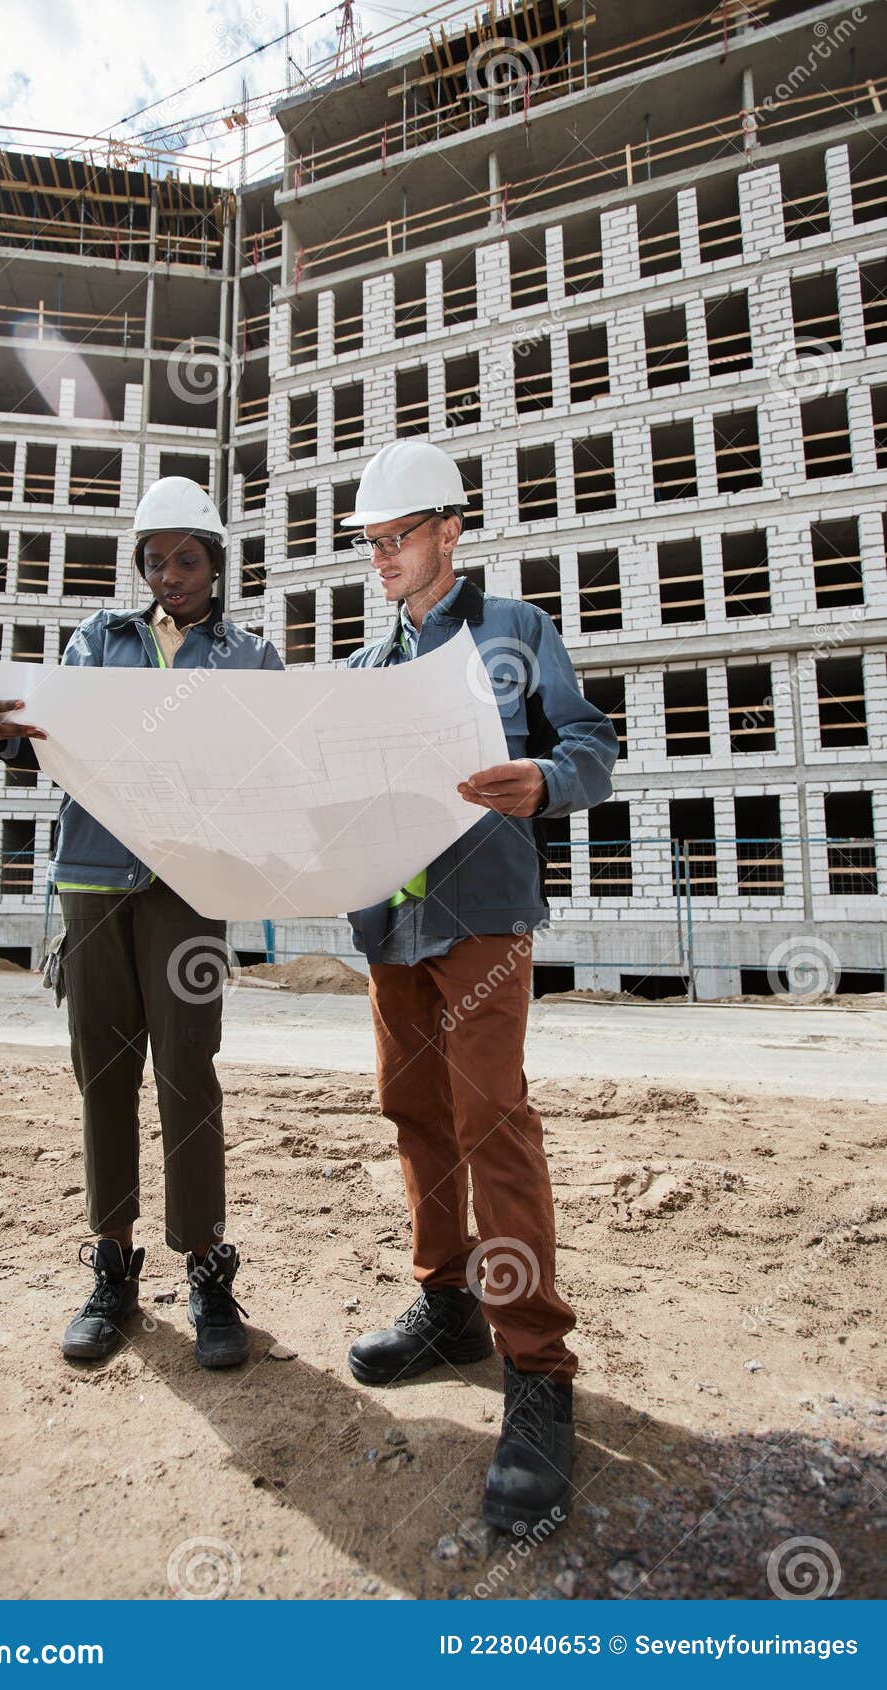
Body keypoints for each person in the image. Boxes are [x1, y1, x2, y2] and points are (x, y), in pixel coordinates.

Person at [340, 439, 619, 1535]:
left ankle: (537, 1367)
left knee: (490, 1123)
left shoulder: (516, 634)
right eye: (368, 544)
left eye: (393, 538)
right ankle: (445, 1303)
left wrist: (542, 779)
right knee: (412, 1114)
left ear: (448, 531)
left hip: (482, 921)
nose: (379, 559)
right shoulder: (364, 669)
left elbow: (591, 746)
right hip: (389, 923)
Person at [0, 477, 283, 1370]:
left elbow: (274, 767)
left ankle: (205, 1264)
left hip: (191, 883)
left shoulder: (248, 658)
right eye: (154, 560)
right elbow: (43, 740)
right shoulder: (96, 641)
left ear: (216, 564)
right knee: (103, 1071)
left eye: (186, 559)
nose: (169, 574)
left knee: (188, 1071)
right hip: (96, 880)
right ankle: (111, 1263)